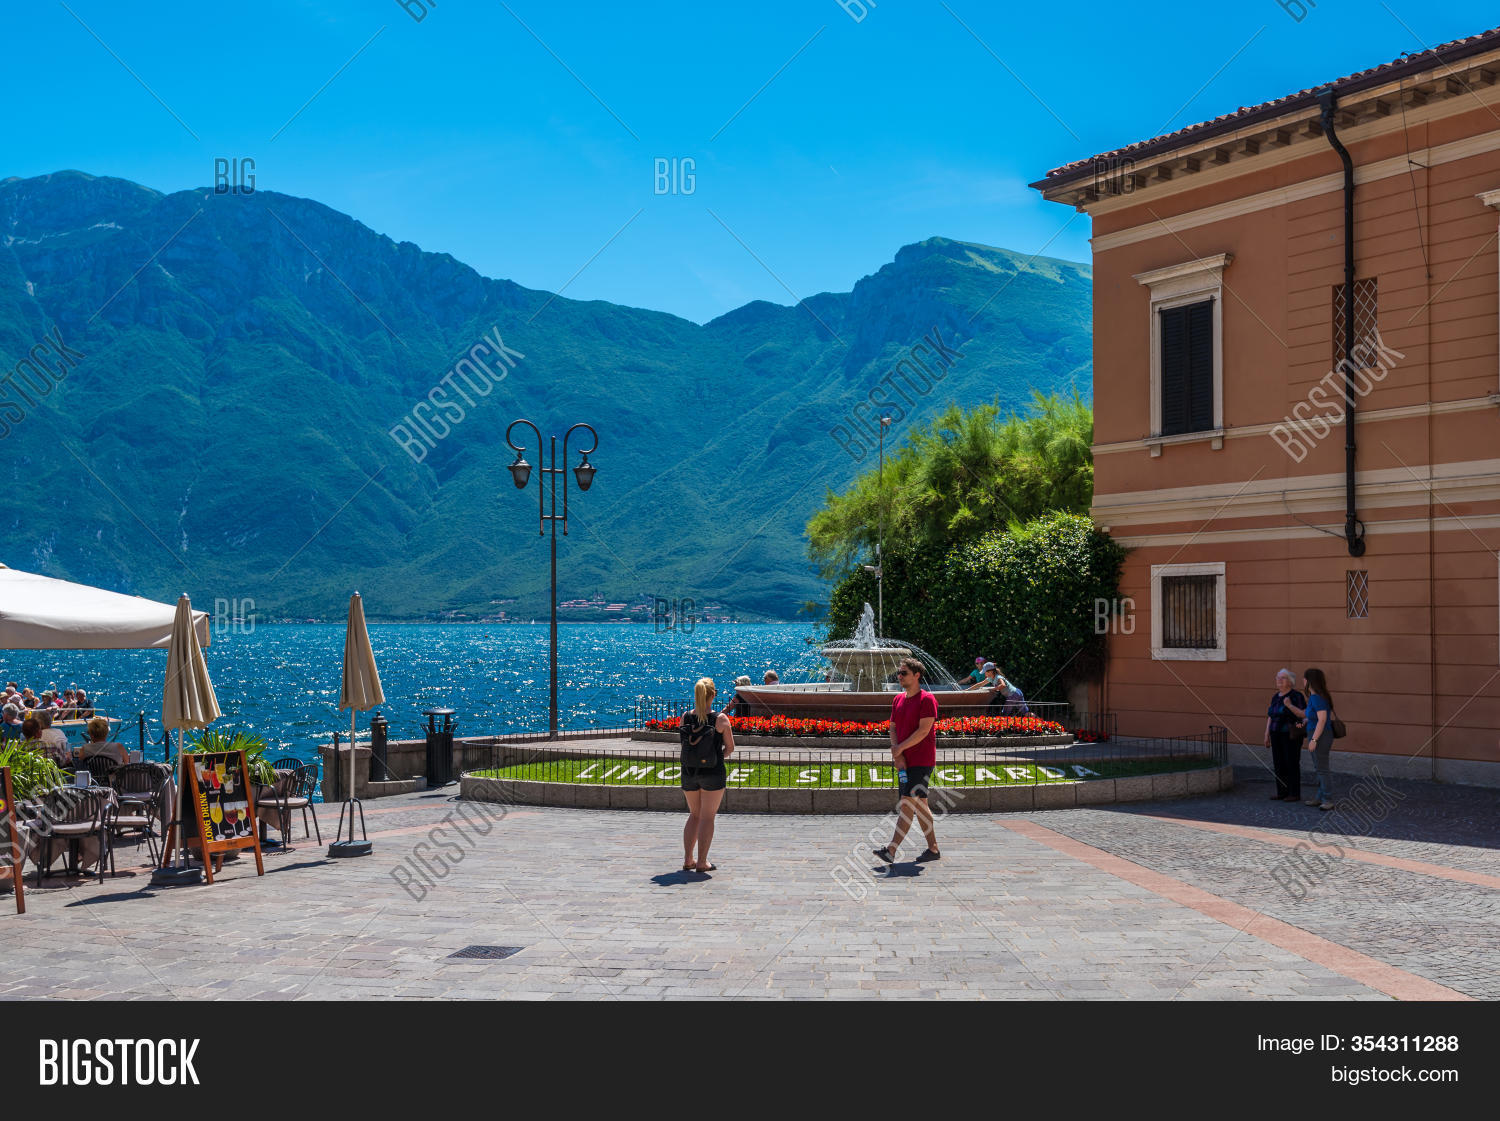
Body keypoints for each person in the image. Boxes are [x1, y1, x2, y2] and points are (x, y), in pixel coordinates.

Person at [873, 656, 941, 864]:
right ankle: (933, 848)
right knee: (920, 804)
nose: (899, 676)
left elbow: (923, 731)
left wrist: (900, 748)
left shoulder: (927, 699)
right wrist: (898, 753)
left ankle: (891, 850)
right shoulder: (898, 699)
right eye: (899, 673)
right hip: (905, 760)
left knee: (906, 804)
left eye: (904, 673)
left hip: (921, 760)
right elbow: (893, 727)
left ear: (917, 675)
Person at [679, 677, 734, 873]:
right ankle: (702, 862)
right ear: (713, 695)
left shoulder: (686, 717)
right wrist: (714, 756)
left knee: (694, 815)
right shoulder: (720, 719)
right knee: (707, 817)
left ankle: (688, 859)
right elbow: (730, 748)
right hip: (712, 772)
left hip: (689, 772)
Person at [1264, 668, 1307, 801]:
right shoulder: (1275, 697)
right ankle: (1282, 792)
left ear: (1290, 681)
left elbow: (1303, 714)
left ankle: (1294, 793)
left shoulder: (1296, 696)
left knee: (1291, 762)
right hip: (1275, 733)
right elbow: (1270, 716)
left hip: (1291, 734)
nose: (1279, 680)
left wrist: (1288, 706)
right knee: (1278, 763)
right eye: (1277, 677)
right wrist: (1267, 734)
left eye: (1282, 678)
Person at [1300, 667, 1337, 810]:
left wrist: (1314, 740)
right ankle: (1320, 797)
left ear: (1309, 681)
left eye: (1304, 678)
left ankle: (1328, 799)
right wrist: (1306, 721)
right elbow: (1315, 717)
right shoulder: (1314, 697)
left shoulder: (1317, 698)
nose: (1302, 681)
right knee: (1319, 768)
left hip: (1320, 736)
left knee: (1322, 769)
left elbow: (1322, 720)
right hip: (1316, 734)